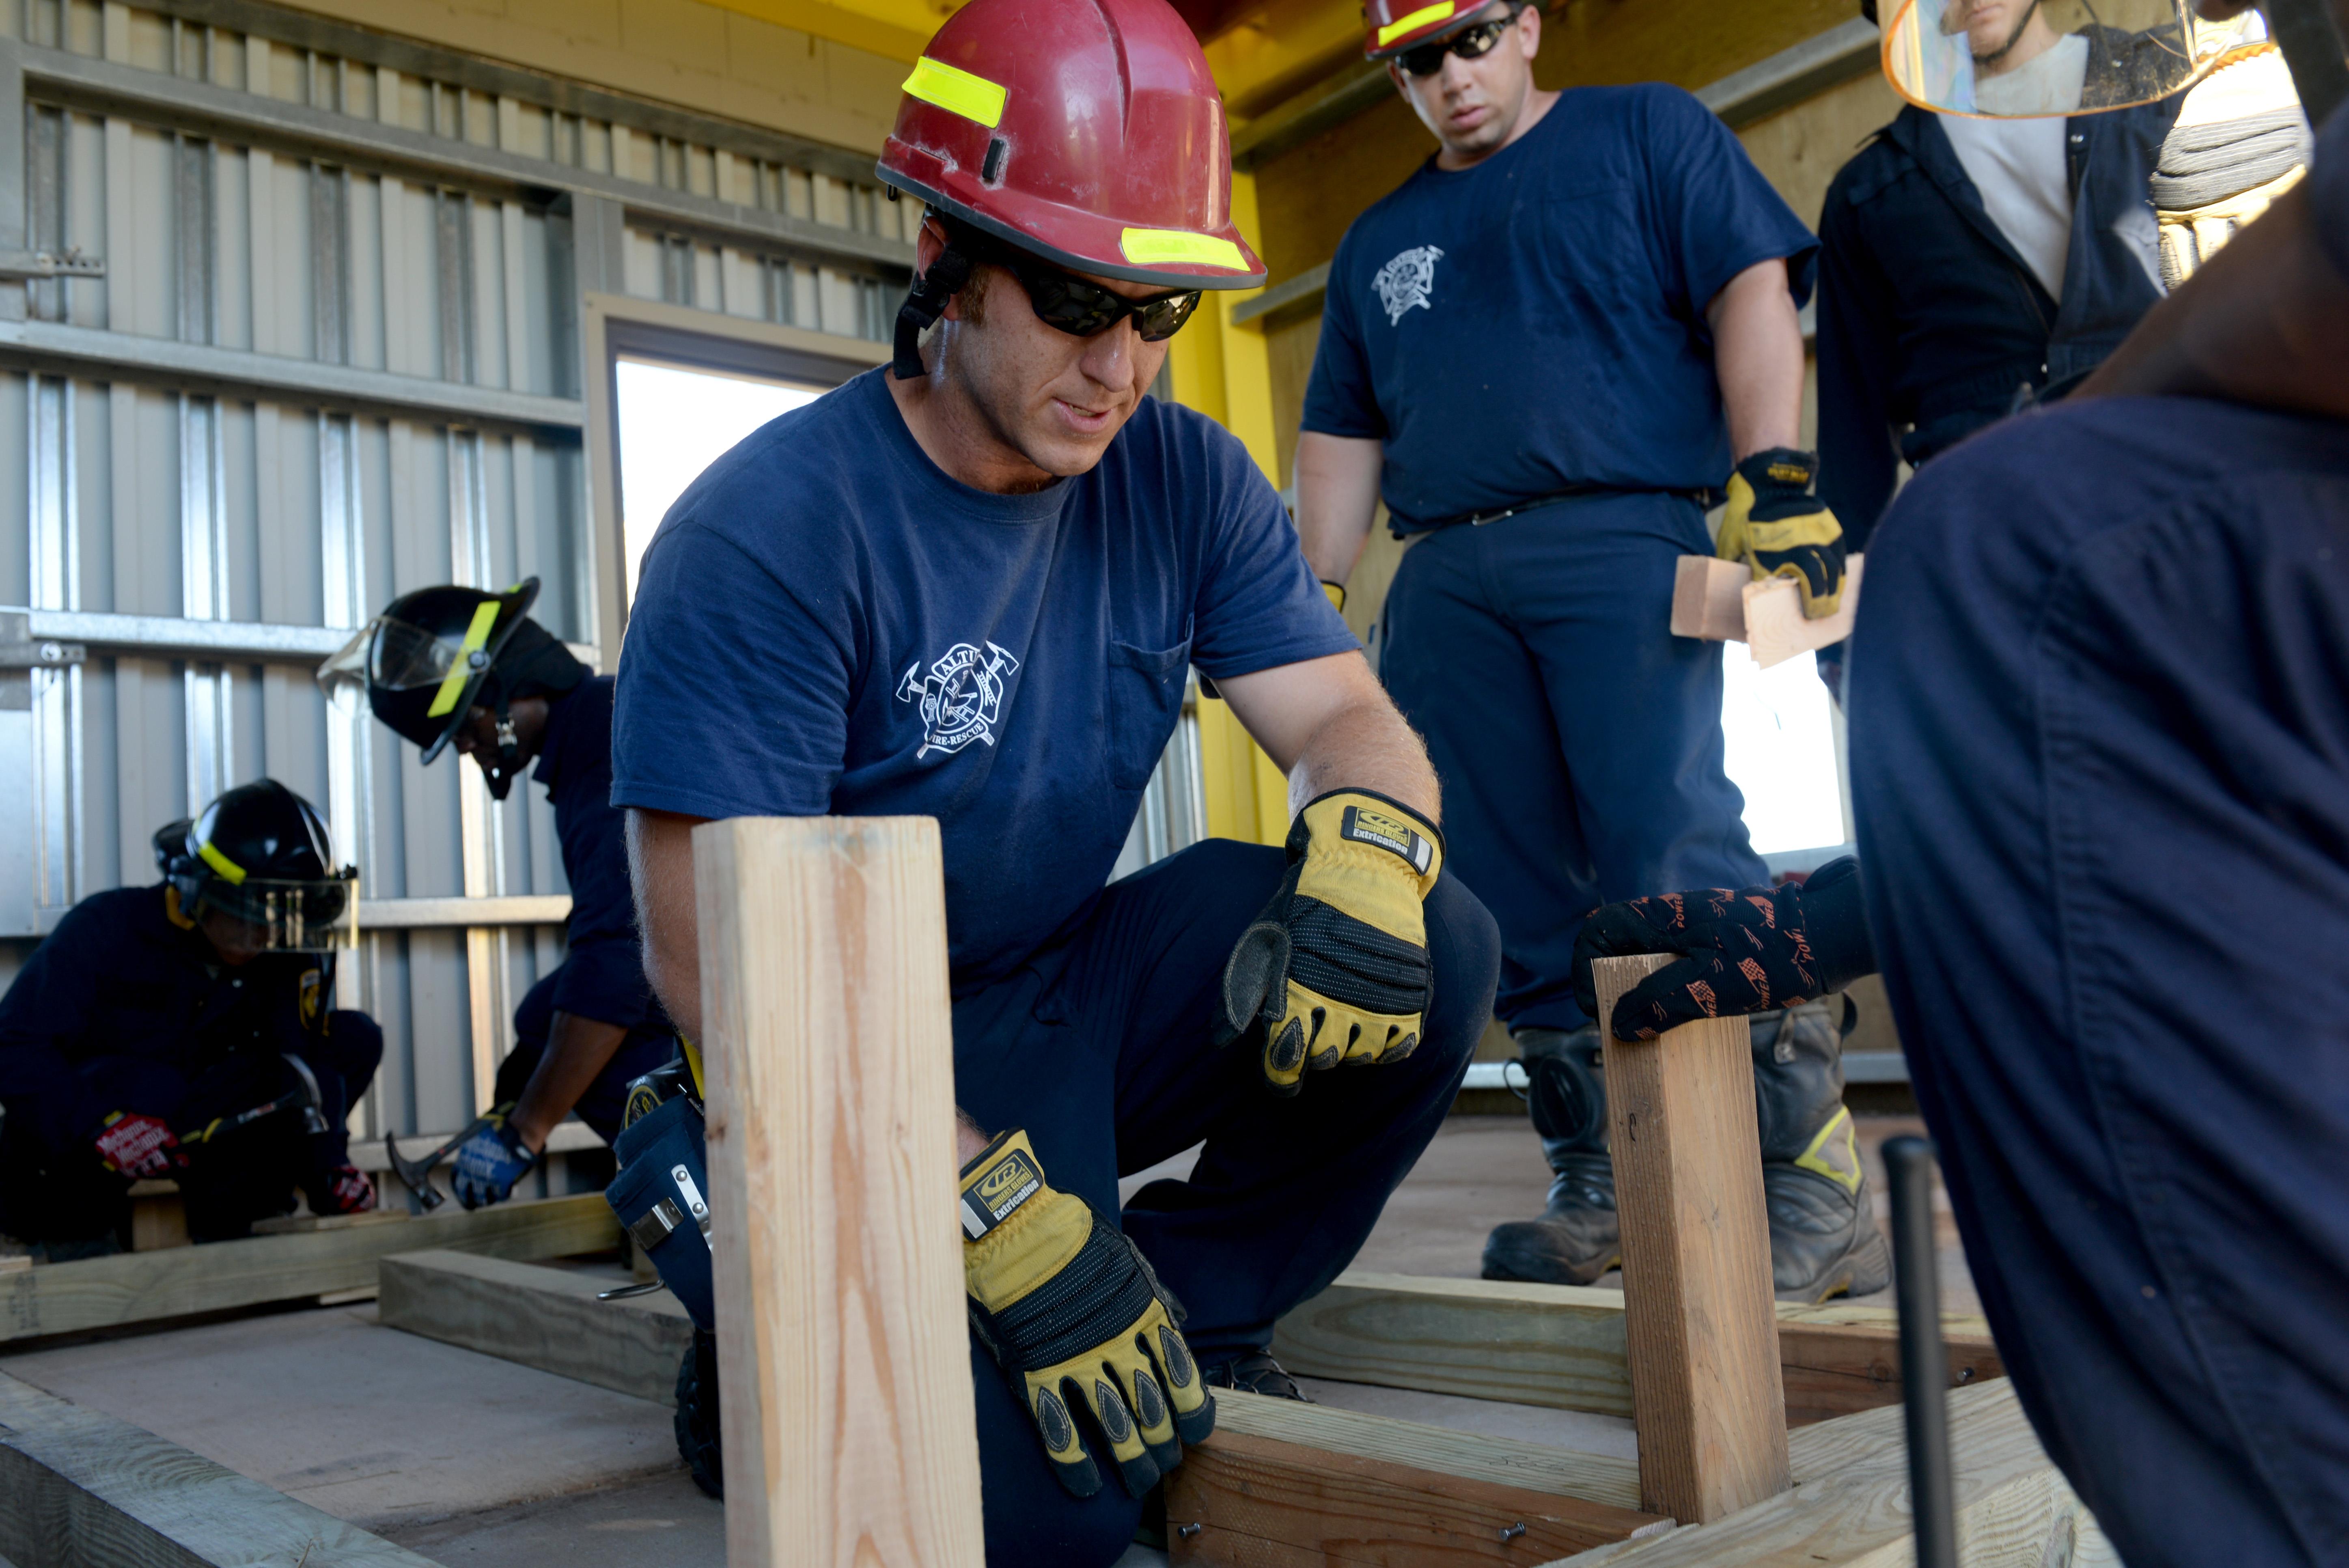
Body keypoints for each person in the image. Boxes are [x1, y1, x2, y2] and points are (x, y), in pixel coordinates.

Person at [610, 0, 1501, 1557]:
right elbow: (717, 975)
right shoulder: (768, 531)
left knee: (1432, 937)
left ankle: (1194, 1305)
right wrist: (998, 1220)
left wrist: (1367, 845)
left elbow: (1347, 719)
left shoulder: (1183, 476)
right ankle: (749, 1317)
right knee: (1048, 1519)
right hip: (815, 1051)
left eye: (1159, 313)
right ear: (941, 259)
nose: (1118, 366)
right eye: (1078, 299)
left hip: (1050, 989)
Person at [1571, 90, 2349, 1568]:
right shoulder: (1882, 193)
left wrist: (2003, 557)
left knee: (2006, 539)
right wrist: (1898, 891)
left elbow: (2317, 276)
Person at [1291, 0, 1883, 1301]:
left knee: (1672, 848)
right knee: (1509, 892)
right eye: (1418, 62)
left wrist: (1775, 475)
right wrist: (1307, 594)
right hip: (1445, 574)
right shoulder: (1377, 239)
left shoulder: (1646, 135)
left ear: (1528, 26)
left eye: (1472, 39)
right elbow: (1339, 431)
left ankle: (1811, 1177)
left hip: (1623, 537)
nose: (1451, 76)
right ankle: (1600, 1178)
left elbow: (1749, 284)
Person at [1816, 0, 2181, 624]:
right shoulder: (1869, 197)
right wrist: (1841, 648)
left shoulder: (2174, 82)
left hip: (2184, 501)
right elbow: (1854, 446)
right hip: (2002, 570)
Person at [319, 578, 676, 1209]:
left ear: (510, 685)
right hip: (723, 972)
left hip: (751, 999)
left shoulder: (604, 743)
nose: (465, 746)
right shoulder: (598, 728)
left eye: (466, 724)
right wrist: (520, 1086)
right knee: (543, 1017)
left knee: (593, 1022)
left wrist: (525, 1131)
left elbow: (618, 959)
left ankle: (724, 1213)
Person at [0, 780, 382, 1254]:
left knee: (353, 1038)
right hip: (86, 1135)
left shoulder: (285, 948)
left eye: (282, 914)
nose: (265, 935)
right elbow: (14, 1044)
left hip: (195, 1129)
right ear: (202, 893)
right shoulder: (108, 927)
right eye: (250, 914)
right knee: (153, 1085)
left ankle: (244, 1210)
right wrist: (98, 1126)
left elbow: (303, 1070)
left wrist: (330, 1165)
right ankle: (73, 1236)